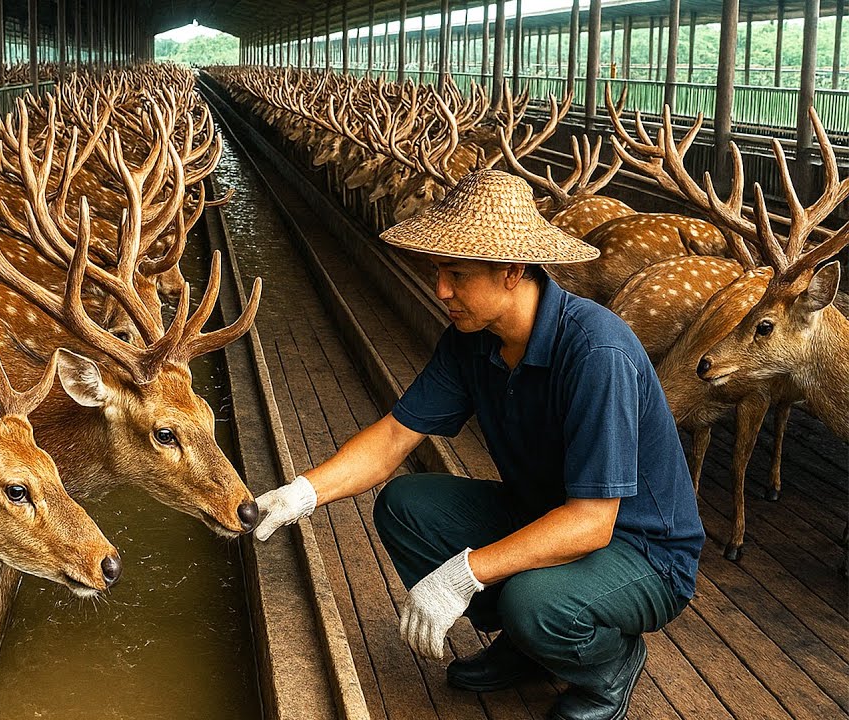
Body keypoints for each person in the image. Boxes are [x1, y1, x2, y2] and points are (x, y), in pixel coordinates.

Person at [252, 170, 704, 720]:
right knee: (406, 506)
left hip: (640, 551)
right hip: (543, 513)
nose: (441, 290)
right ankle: (528, 648)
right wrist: (300, 493)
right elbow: (396, 435)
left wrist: (463, 574)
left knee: (532, 602)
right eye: (440, 270)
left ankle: (607, 666)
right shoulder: (472, 340)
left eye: (458, 274)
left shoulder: (594, 351)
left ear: (513, 271)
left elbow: (592, 522)